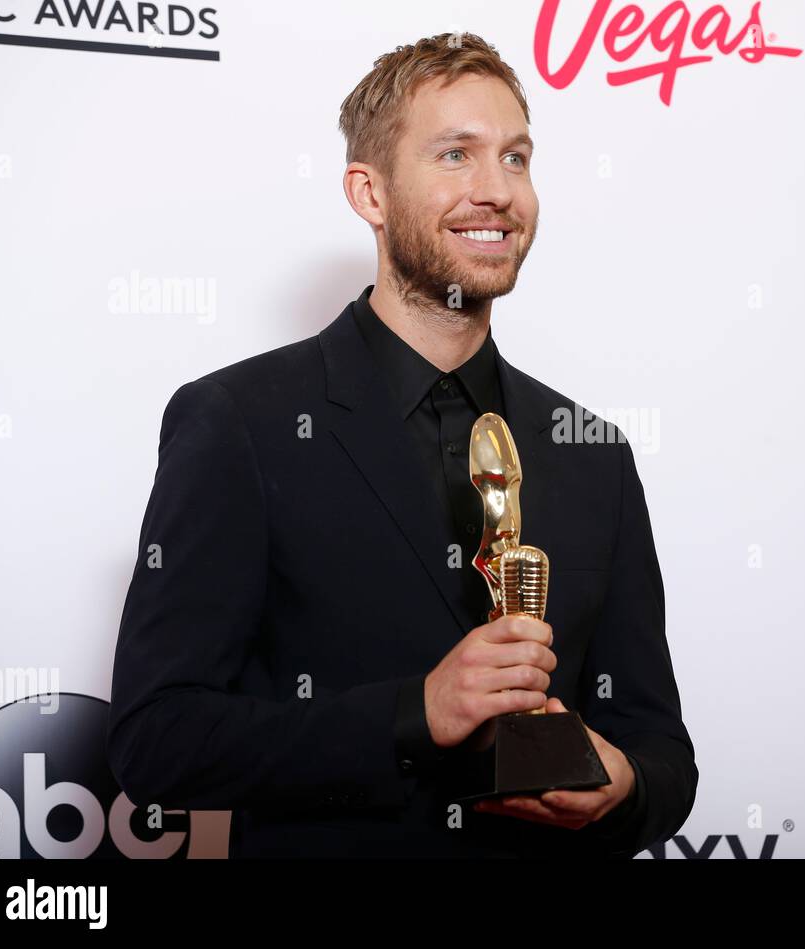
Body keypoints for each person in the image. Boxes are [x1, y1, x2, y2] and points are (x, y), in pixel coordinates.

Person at [106, 32, 697, 858]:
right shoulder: (240, 423)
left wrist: (623, 784)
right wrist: (416, 712)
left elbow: (663, 751)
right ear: (369, 192)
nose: (496, 190)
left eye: (517, 158)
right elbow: (156, 740)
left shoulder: (592, 451)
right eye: (456, 155)